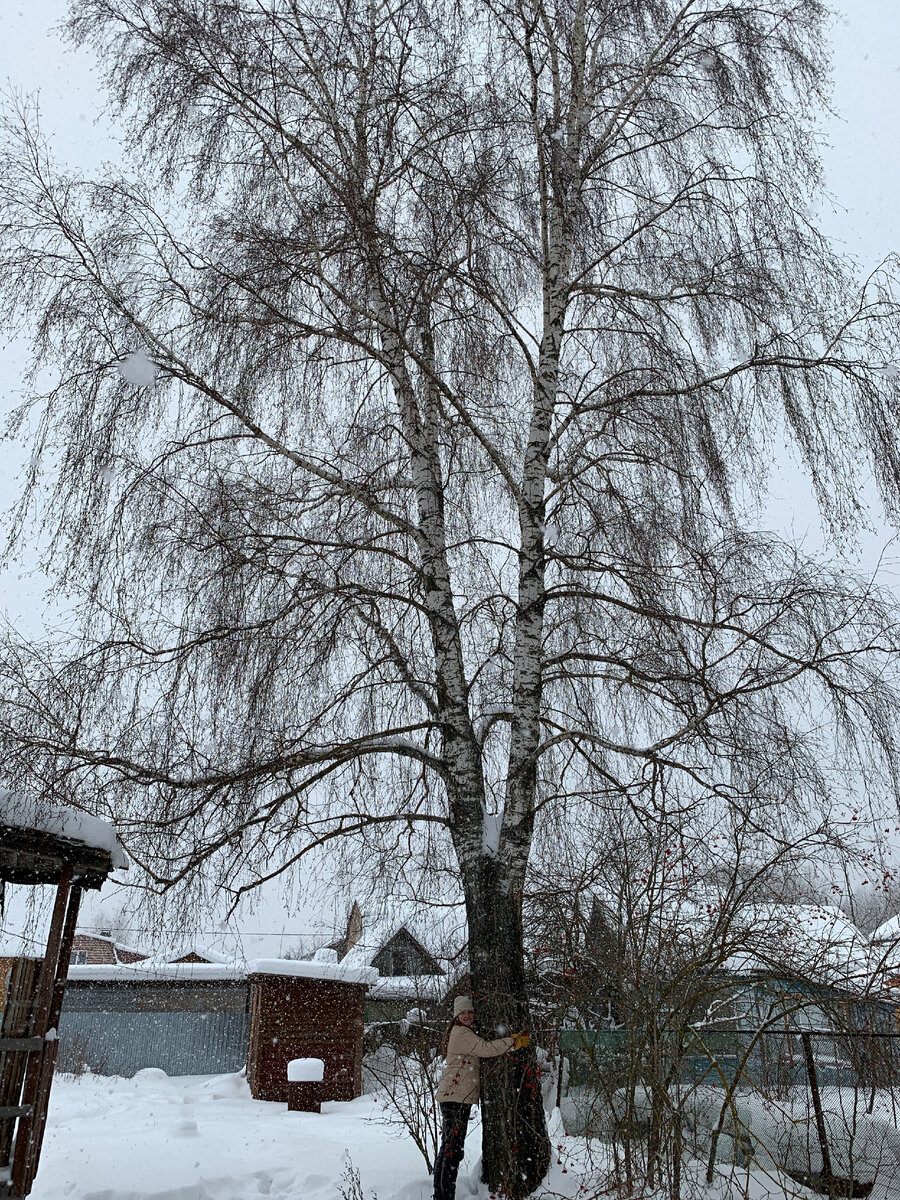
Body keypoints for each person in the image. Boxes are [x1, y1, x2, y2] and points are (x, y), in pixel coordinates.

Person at [433, 996, 530, 1200]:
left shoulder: (461, 1032)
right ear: (456, 1016)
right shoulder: (462, 1034)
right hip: (456, 1098)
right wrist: (513, 1041)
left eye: (470, 1012)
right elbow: (486, 1049)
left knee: (448, 1148)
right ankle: (444, 1196)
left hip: (454, 1096)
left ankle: (441, 1194)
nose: (467, 1016)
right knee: (452, 1150)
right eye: (463, 1013)